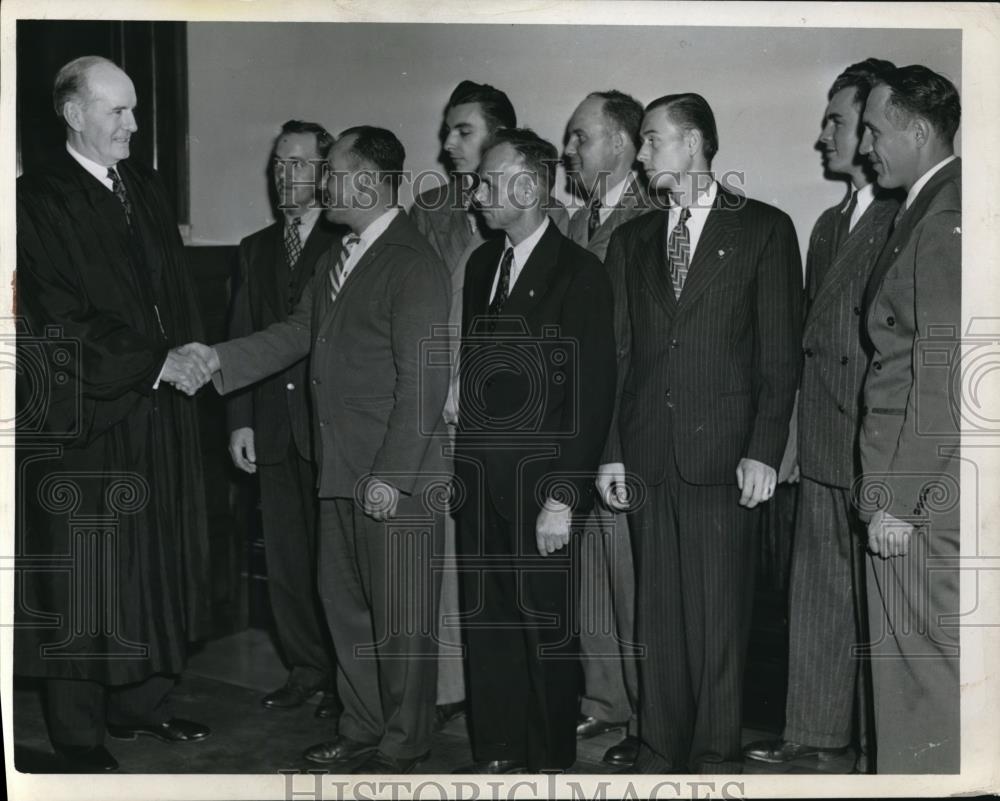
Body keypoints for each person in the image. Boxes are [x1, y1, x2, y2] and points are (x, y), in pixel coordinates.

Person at [187, 127, 450, 773]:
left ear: (367, 181)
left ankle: (402, 743)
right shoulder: (341, 256)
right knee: (347, 610)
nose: (321, 183)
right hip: (339, 469)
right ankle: (361, 728)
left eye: (331, 171)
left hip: (395, 475)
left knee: (401, 620)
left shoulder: (414, 263)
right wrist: (213, 358)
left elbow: (424, 382)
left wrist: (390, 476)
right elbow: (294, 332)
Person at [15, 55, 212, 772]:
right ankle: (75, 736)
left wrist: (191, 356)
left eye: (133, 110)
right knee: (86, 571)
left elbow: (175, 293)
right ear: (74, 114)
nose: (133, 124)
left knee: (153, 561)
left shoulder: (142, 187)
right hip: (88, 415)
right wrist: (156, 360)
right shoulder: (34, 200)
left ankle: (136, 705)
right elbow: (57, 315)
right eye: (117, 111)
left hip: (156, 408)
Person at [598, 93, 803, 773]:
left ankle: (714, 758)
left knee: (718, 623)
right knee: (655, 621)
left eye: (652, 140)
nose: (643, 152)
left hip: (726, 456)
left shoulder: (765, 229)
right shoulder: (629, 242)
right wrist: (611, 455)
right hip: (649, 454)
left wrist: (763, 449)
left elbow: (777, 353)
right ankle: (659, 747)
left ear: (692, 143)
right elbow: (618, 358)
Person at [744, 57, 898, 772]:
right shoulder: (828, 226)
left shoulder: (906, 216)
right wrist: (792, 445)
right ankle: (813, 733)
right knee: (818, 600)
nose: (825, 135)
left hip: (874, 442)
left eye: (837, 120)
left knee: (875, 611)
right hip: (825, 440)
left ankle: (876, 747)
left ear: (871, 129)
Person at [452, 128, 617, 773]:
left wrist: (561, 497)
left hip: (540, 487)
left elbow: (590, 395)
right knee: (487, 623)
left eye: (489, 183)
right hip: (479, 483)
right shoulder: (479, 267)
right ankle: (496, 750)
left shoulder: (580, 275)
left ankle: (549, 763)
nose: (477, 193)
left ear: (528, 187)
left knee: (544, 629)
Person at [855, 64, 961, 774]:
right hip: (906, 477)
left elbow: (945, 368)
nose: (865, 145)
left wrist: (898, 499)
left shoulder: (945, 214)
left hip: (915, 486)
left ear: (919, 131)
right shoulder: (926, 207)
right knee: (910, 673)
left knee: (921, 674)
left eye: (874, 128)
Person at [226, 120, 343, 719]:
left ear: (326, 171)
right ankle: (305, 670)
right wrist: (240, 421)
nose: (283, 177)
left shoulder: (348, 240)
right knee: (287, 562)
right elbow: (243, 335)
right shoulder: (254, 249)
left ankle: (344, 684)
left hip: (328, 431)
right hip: (271, 428)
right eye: (277, 164)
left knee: (336, 565)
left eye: (297, 164)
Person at [562, 89, 651, 768]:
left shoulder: (650, 218)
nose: (571, 152)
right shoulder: (570, 224)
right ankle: (604, 701)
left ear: (620, 145)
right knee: (590, 572)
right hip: (574, 426)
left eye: (581, 138)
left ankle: (647, 714)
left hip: (623, 429)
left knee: (630, 576)